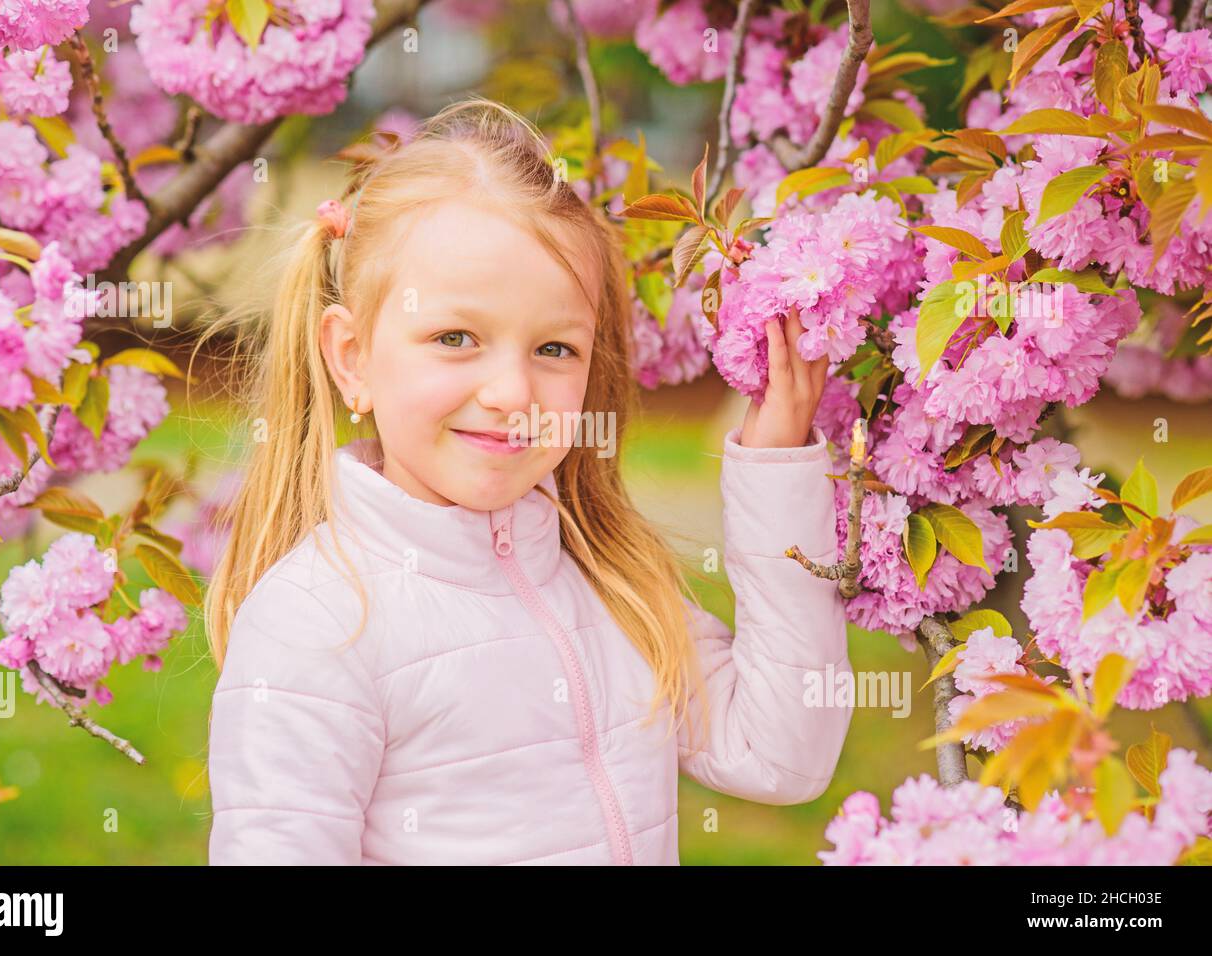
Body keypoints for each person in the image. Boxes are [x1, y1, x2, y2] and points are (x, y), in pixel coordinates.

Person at [202, 96, 852, 865]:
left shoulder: (608, 575)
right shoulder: (317, 622)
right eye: (455, 338)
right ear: (352, 358)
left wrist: (779, 461)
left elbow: (780, 752)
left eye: (553, 349)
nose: (512, 393)